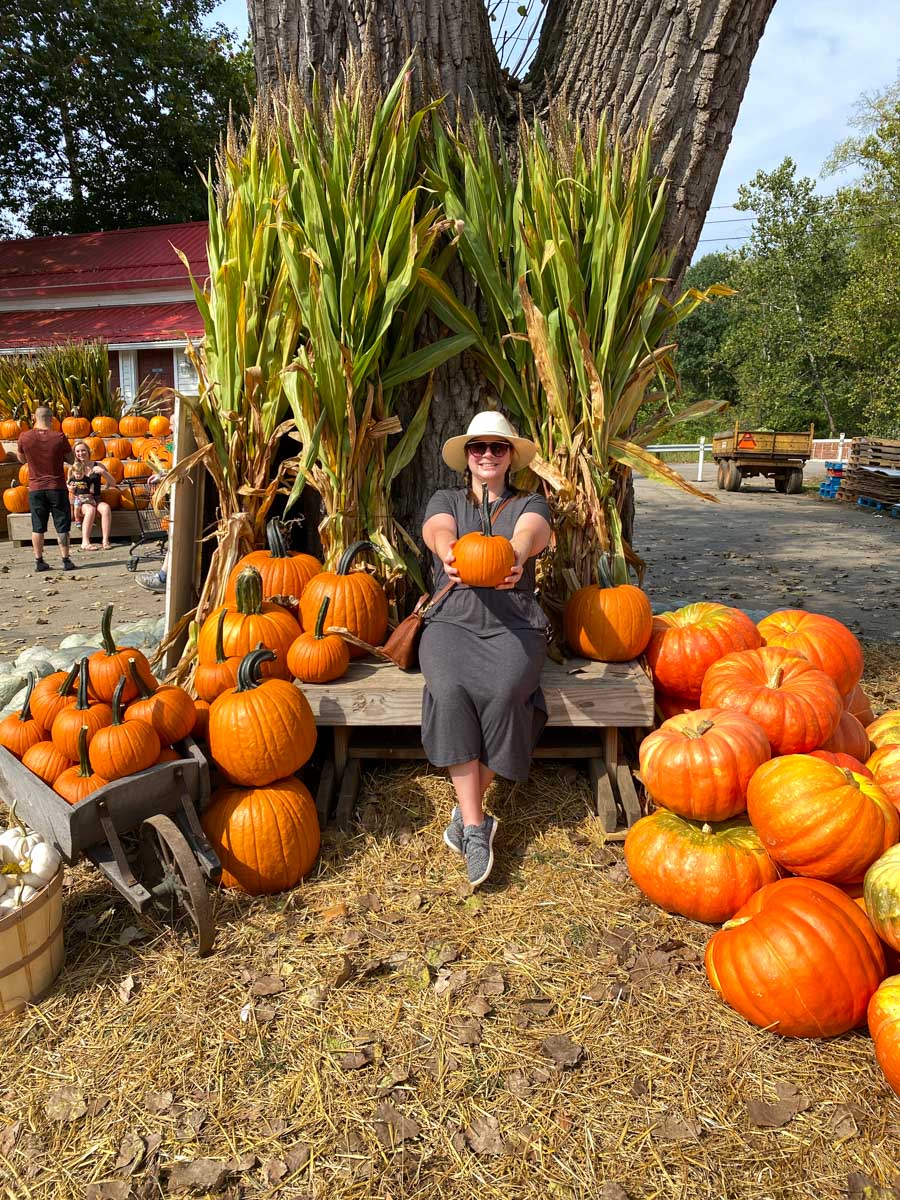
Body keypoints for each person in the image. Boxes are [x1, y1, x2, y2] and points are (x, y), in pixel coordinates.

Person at [420, 411, 552, 887]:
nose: (488, 455)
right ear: (467, 457)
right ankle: (476, 826)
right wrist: (448, 551)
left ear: (511, 456)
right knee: (450, 690)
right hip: (451, 622)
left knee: (505, 693)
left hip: (513, 625)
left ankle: (464, 814)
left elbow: (531, 533)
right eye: (479, 448)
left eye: (498, 447)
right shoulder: (447, 499)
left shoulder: (529, 501)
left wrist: (515, 554)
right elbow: (436, 530)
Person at [16, 406, 75, 573]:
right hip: (57, 487)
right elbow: (71, 459)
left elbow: (21, 459)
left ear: (34, 417)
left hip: (35, 487)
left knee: (37, 526)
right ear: (51, 419)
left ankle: (39, 561)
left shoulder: (24, 437)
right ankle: (65, 560)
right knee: (62, 525)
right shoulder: (59, 437)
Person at [66, 440, 117, 550]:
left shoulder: (98, 465)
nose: (81, 453)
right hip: (81, 500)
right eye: (78, 451)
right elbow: (68, 483)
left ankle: (105, 541)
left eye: (83, 450)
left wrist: (103, 472)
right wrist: (69, 488)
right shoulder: (73, 468)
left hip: (96, 498)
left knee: (106, 508)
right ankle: (85, 542)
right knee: (90, 509)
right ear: (75, 453)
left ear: (88, 451)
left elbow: (113, 483)